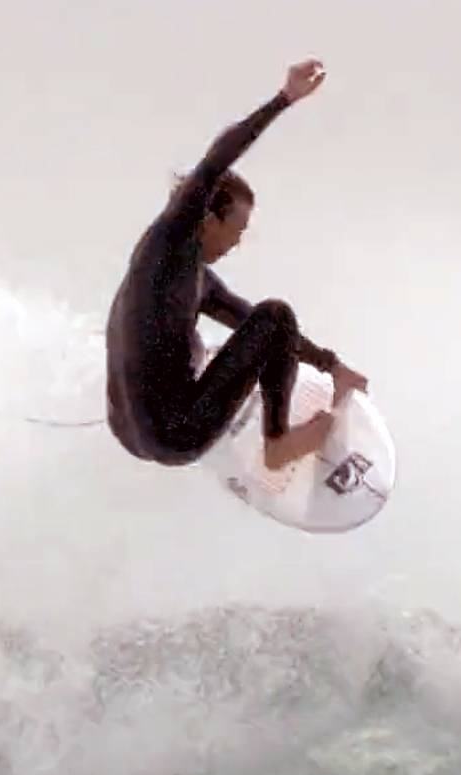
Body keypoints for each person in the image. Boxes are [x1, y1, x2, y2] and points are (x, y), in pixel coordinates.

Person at [105, 58, 369, 472]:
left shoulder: (179, 273)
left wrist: (331, 365)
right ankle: (278, 443)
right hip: (176, 435)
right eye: (237, 229)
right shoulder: (172, 239)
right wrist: (284, 98)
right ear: (209, 217)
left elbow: (267, 334)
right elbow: (215, 162)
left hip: (128, 434)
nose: (237, 242)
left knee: (225, 337)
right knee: (277, 314)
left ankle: (208, 390)